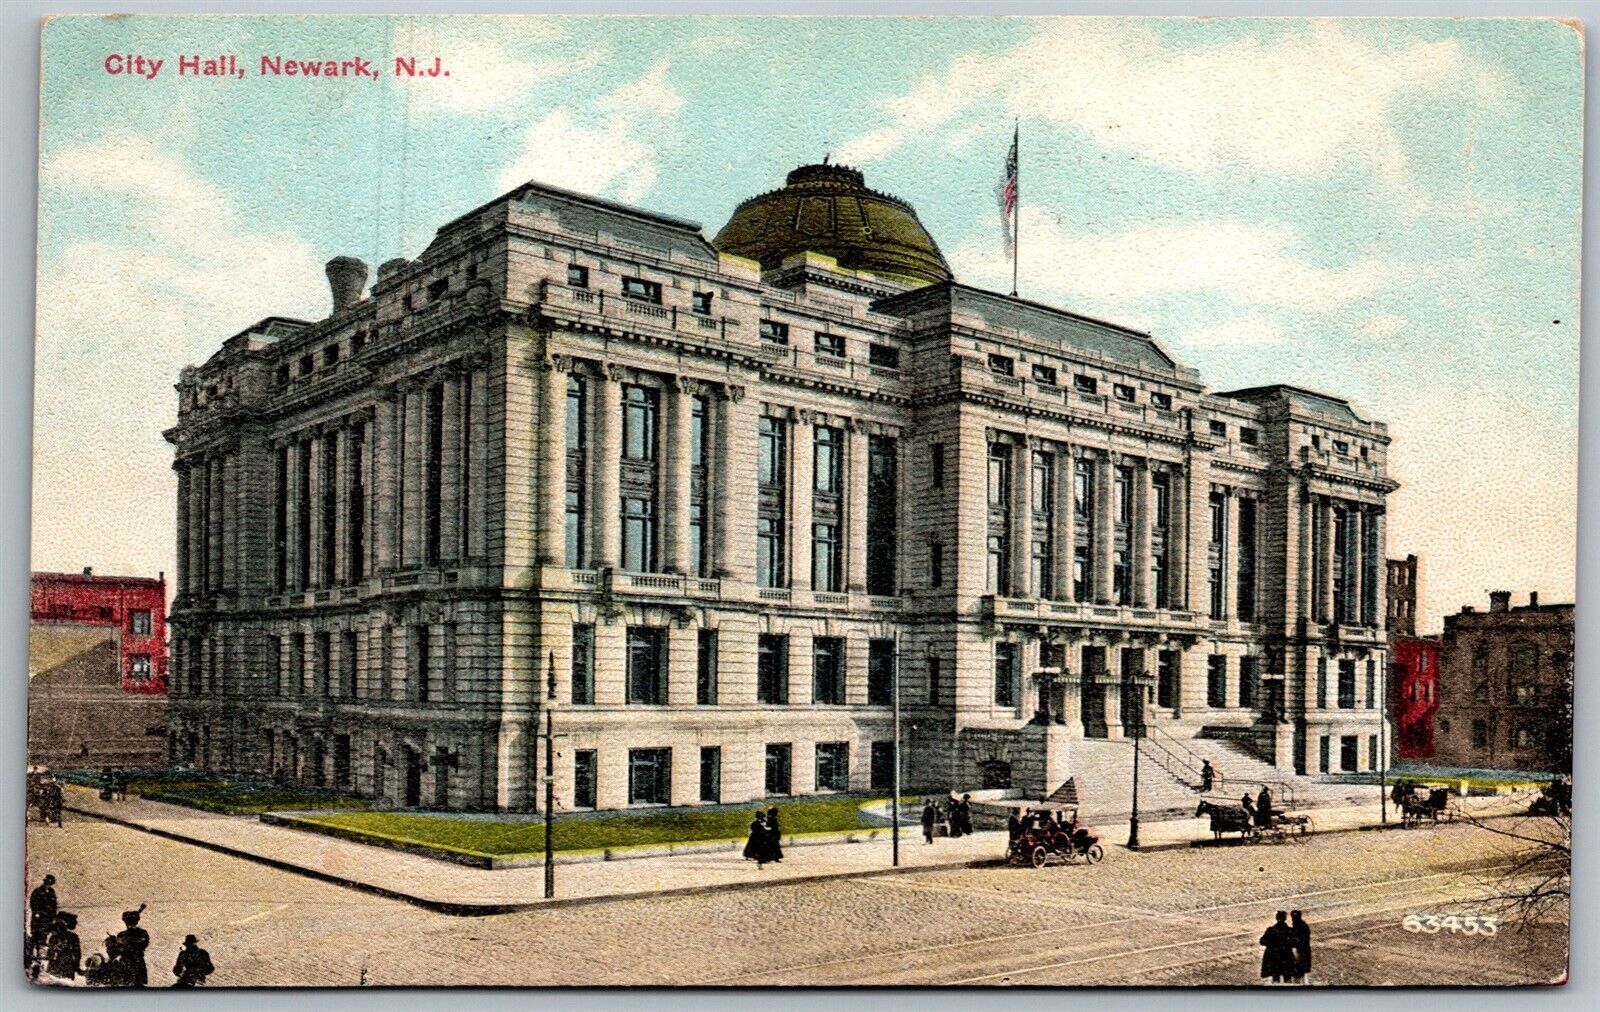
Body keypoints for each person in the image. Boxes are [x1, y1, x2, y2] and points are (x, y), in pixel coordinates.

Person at [114, 905, 150, 987]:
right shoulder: (141, 933)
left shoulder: (122, 935)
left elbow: (143, 943)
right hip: (132, 962)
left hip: (131, 962)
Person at [1259, 911, 1296, 984]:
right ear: (1285, 918)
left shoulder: (1271, 930)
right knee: (1287, 978)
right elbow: (1295, 943)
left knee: (1275, 978)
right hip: (1286, 956)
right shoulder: (1289, 930)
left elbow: (1262, 941)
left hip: (1274, 957)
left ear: (1276, 918)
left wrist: (1272, 944)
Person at [46, 912, 81, 982]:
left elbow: (50, 954)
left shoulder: (54, 938)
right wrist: (76, 967)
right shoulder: (72, 937)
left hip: (59, 967)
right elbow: (77, 955)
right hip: (65, 967)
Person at [29, 875, 58, 944]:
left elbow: (54, 904)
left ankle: (42, 944)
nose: (49, 884)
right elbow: (33, 903)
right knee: (37, 932)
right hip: (40, 916)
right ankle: (36, 945)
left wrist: (54, 915)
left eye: (51, 883)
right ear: (45, 882)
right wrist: (36, 913)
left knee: (46, 931)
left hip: (48, 916)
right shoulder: (37, 891)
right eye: (48, 882)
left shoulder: (52, 891)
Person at [1289, 910, 1312, 984]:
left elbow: (1296, 940)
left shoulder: (1297, 926)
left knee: (1298, 970)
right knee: (1302, 970)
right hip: (1304, 950)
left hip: (1299, 951)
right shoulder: (1304, 926)